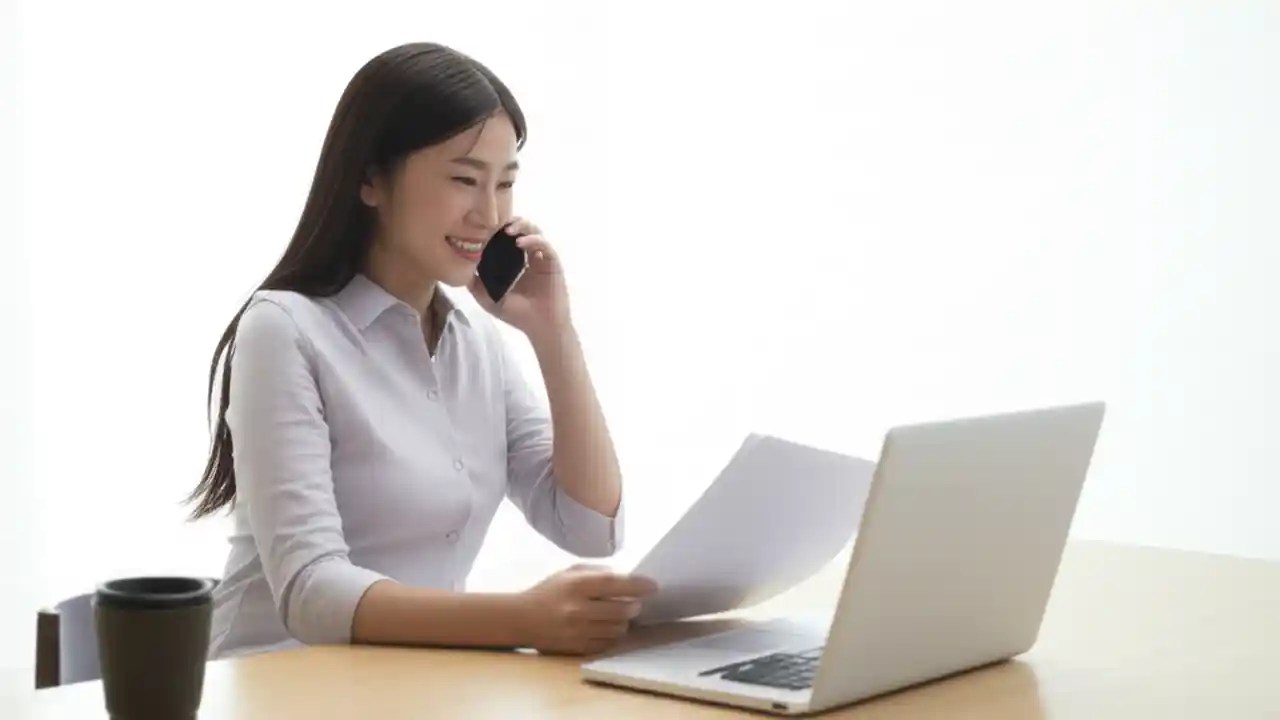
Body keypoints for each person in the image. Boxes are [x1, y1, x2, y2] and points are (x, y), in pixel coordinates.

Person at [186, 42, 657, 660]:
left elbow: (591, 528)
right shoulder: (285, 329)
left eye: (506, 184)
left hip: (413, 688)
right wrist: (523, 619)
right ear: (370, 179)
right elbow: (311, 593)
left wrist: (554, 335)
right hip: (277, 688)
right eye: (464, 179)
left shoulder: (475, 342)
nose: (488, 214)